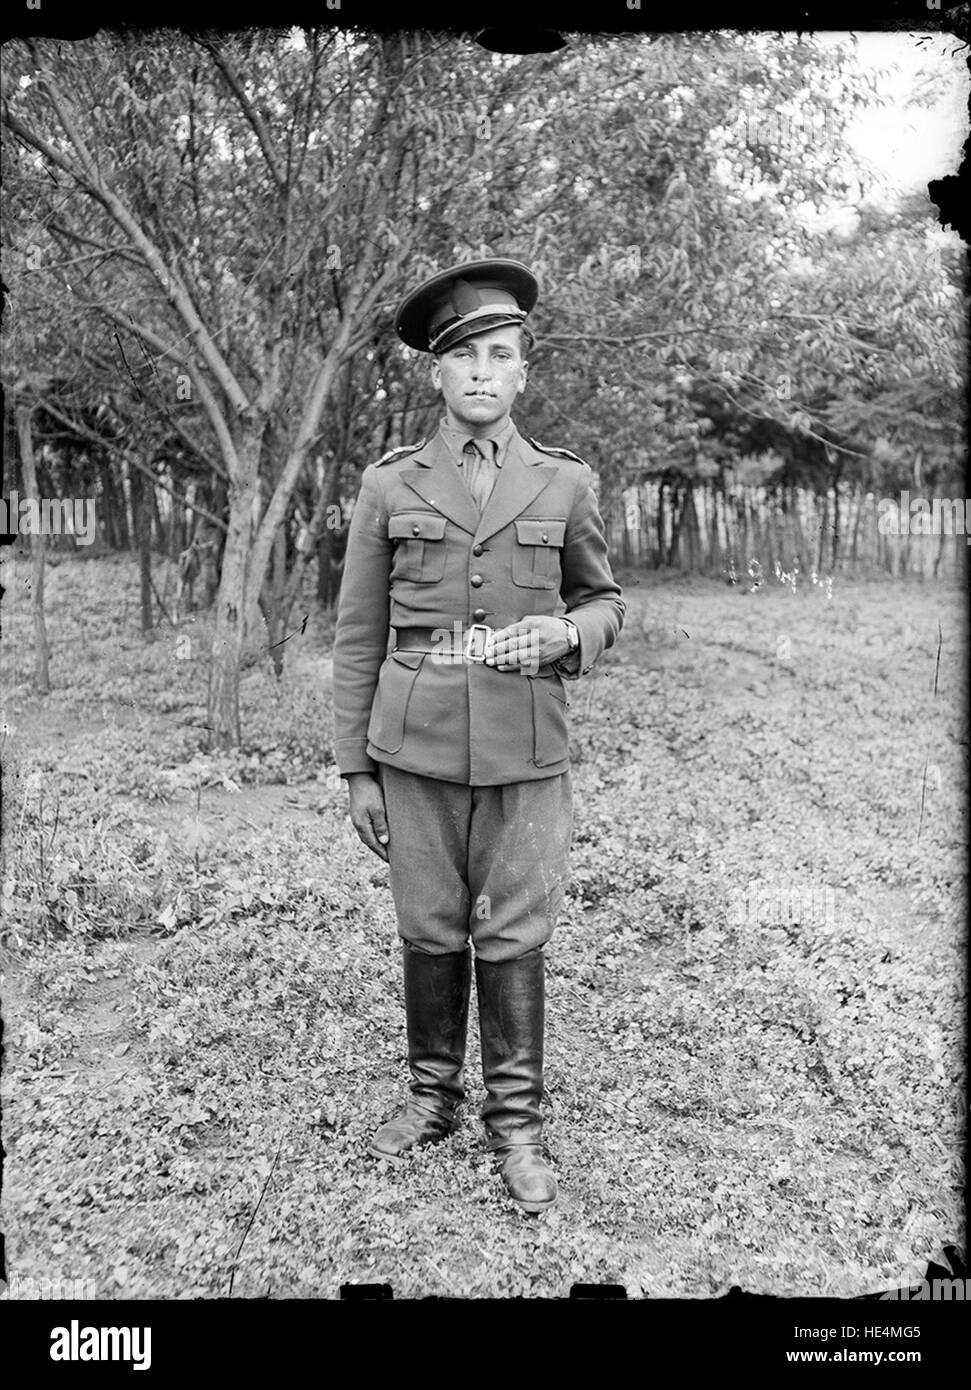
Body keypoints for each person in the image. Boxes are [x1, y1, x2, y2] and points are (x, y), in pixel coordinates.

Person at [331, 258, 625, 1212]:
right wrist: (356, 771)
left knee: (515, 928)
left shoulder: (564, 482)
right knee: (427, 924)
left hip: (525, 741)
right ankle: (430, 1097)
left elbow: (605, 598)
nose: (484, 374)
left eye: (502, 356)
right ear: (437, 375)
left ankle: (518, 1126)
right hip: (412, 743)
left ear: (522, 373)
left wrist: (570, 633)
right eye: (465, 358)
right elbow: (357, 634)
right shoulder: (387, 486)